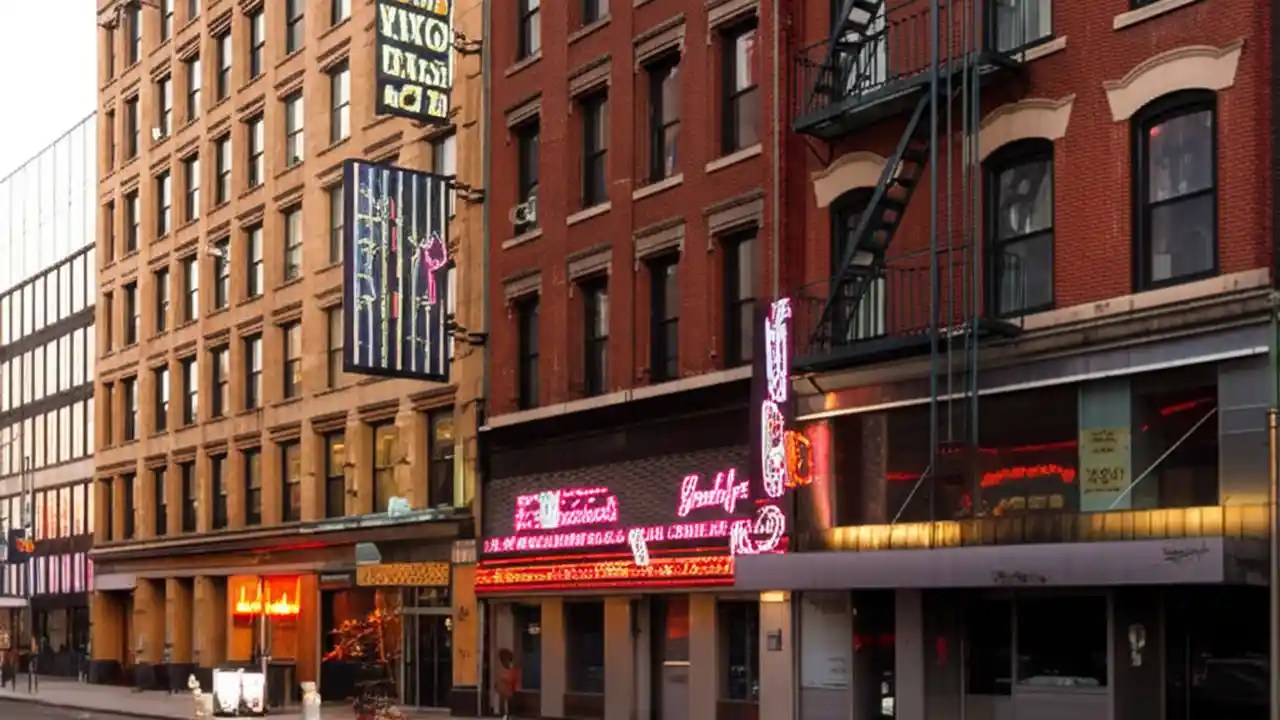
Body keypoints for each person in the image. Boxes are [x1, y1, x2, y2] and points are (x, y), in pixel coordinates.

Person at [496, 648, 520, 720]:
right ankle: (505, 714)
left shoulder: (512, 670)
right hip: (505, 689)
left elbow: (513, 679)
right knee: (504, 702)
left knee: (508, 702)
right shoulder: (504, 669)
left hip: (507, 689)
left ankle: (507, 714)